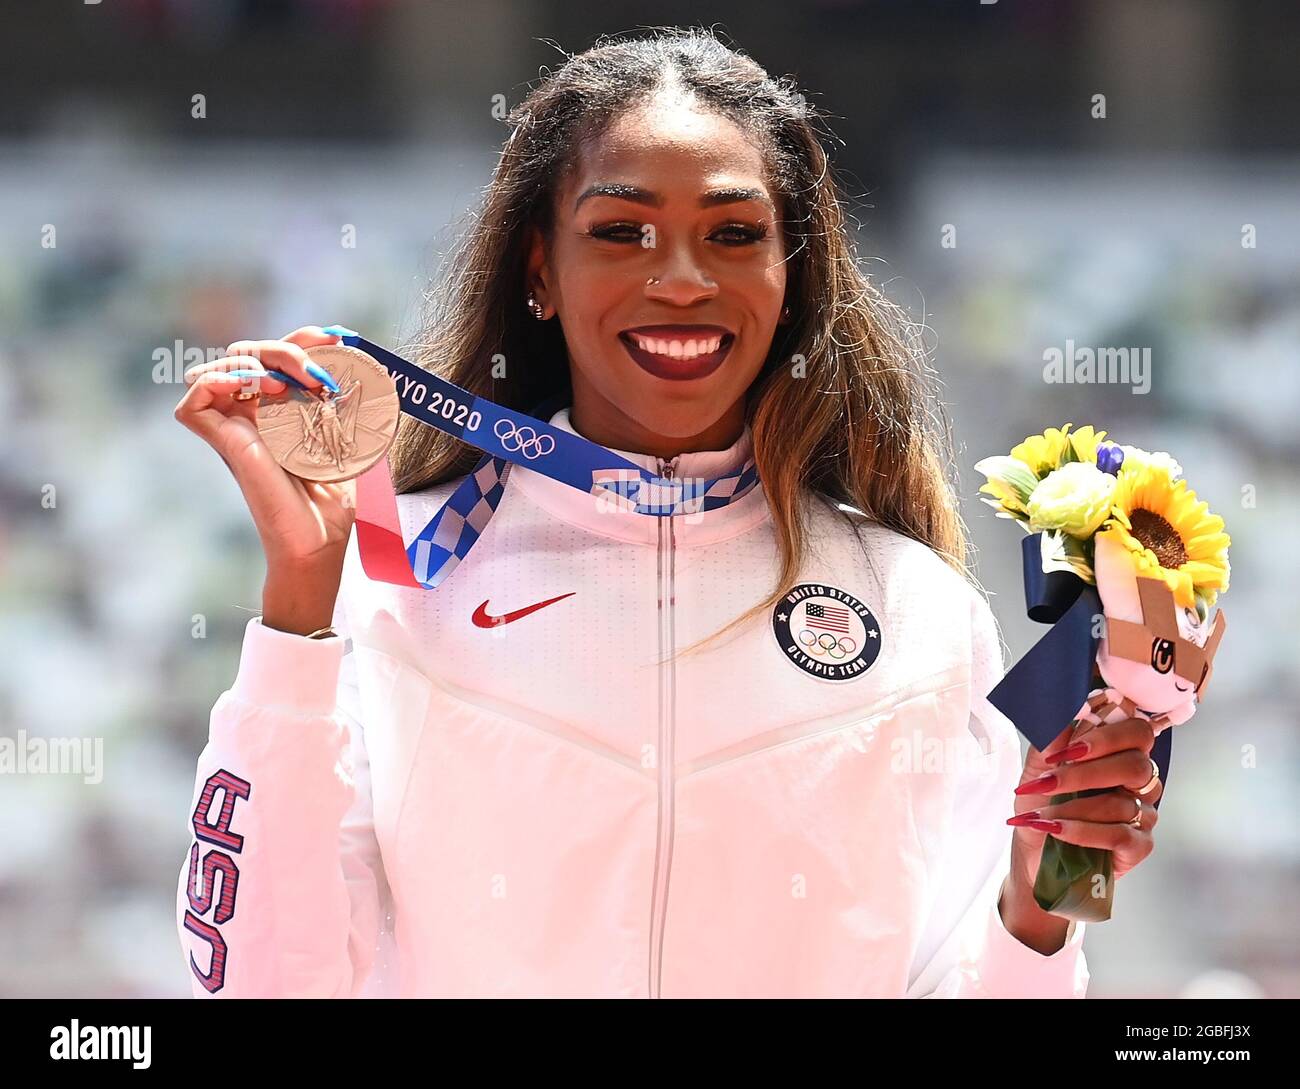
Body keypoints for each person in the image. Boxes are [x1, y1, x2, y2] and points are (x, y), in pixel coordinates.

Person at [171, 28, 1162, 999]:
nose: (682, 278)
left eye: (734, 235)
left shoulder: (919, 614)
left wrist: (1040, 906)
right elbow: (259, 983)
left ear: (789, 278)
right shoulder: (391, 586)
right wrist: (299, 613)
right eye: (620, 231)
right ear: (538, 272)